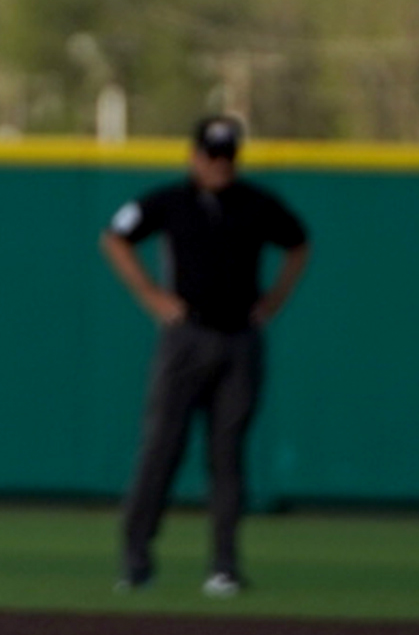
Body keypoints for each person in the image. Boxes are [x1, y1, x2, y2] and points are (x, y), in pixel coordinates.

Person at [99, 114, 310, 597]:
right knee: (162, 449)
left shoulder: (256, 204)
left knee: (227, 456)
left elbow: (298, 243)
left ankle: (224, 566)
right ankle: (135, 559)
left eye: (227, 156)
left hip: (239, 337)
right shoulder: (171, 202)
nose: (219, 165)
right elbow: (114, 235)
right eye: (212, 156)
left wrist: (274, 301)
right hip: (185, 337)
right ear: (195, 156)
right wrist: (152, 296)